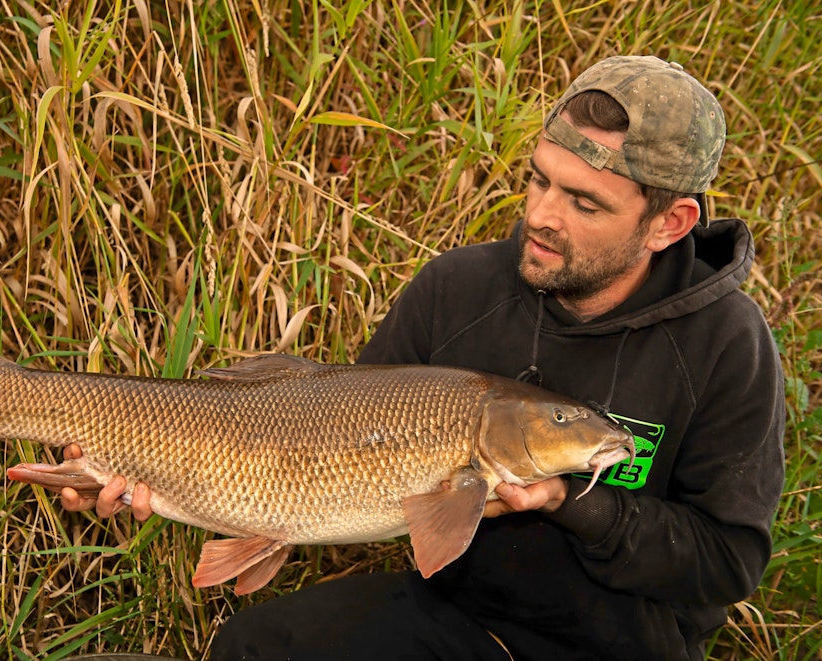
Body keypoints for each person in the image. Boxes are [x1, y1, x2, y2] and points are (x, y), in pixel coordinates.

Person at [60, 56, 786, 660]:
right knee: (255, 647)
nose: (539, 214)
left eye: (584, 203)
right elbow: (320, 436)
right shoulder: (460, 287)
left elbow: (726, 562)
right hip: (455, 616)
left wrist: (575, 502)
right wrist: (158, 465)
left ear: (669, 224)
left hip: (618, 644)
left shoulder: (727, 346)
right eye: (538, 180)